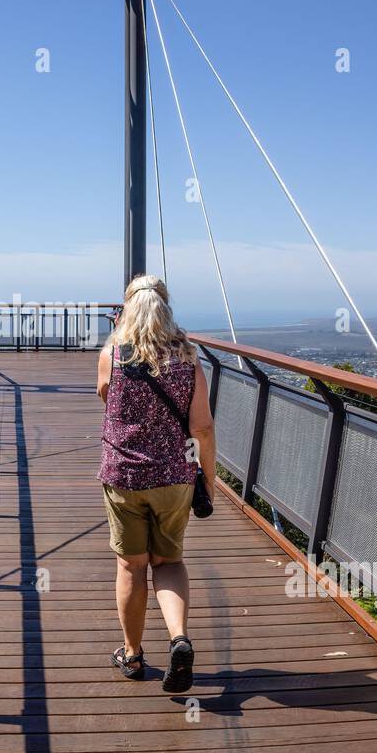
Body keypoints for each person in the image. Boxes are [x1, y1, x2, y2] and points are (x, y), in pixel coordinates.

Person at [96, 274, 216, 693]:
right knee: (169, 563)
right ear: (167, 308)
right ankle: (179, 639)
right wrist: (210, 481)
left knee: (131, 565)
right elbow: (202, 426)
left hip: (125, 475)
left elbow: (104, 395)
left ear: (127, 309)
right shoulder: (188, 358)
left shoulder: (113, 353)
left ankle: (132, 654)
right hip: (175, 477)